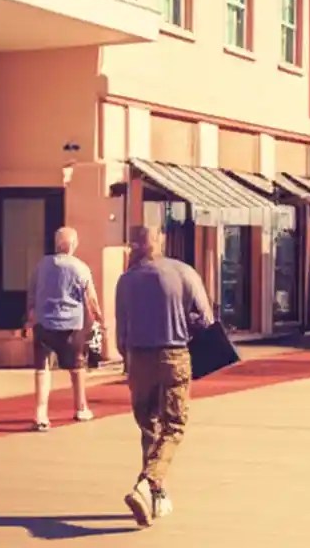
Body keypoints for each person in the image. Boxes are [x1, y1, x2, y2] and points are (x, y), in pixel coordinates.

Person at [115, 225, 213, 527]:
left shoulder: (125, 281)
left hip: (138, 357)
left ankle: (154, 498)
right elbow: (207, 319)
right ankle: (149, 481)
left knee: (149, 428)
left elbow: (121, 332)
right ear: (160, 242)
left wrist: (128, 359)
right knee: (174, 426)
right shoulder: (183, 273)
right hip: (174, 356)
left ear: (134, 246)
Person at [25, 226, 101, 432]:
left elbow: (32, 292)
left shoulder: (42, 265)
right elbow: (91, 298)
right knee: (77, 366)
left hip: (43, 322)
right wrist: (99, 317)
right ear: (73, 245)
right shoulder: (80, 268)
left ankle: (41, 413)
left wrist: (30, 316)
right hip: (71, 324)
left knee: (42, 367)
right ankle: (81, 407)